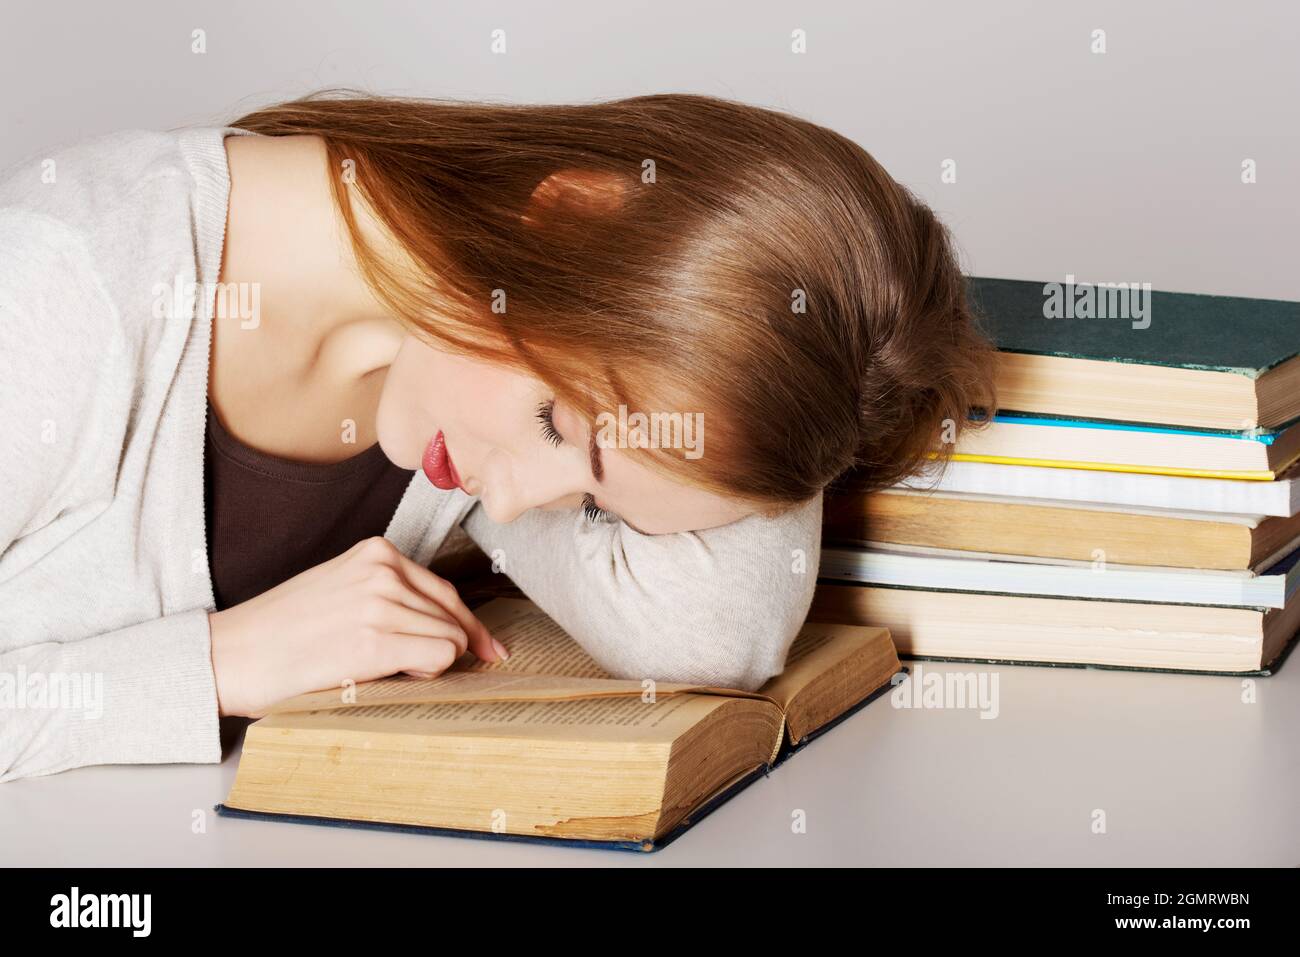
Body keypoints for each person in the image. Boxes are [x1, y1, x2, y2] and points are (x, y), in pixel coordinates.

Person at [0, 92, 995, 782]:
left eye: (593, 501)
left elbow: (715, 634)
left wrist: (803, 360)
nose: (514, 503)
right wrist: (217, 664)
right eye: (558, 424)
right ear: (562, 219)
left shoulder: (456, 362)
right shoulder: (65, 288)